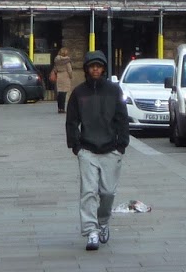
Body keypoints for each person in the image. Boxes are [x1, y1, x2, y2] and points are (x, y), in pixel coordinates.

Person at [65, 51, 128, 252]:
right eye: (92, 66)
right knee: (88, 191)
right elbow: (72, 121)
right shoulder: (78, 93)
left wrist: (121, 144)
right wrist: (75, 145)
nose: (95, 69)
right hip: (87, 149)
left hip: (111, 148)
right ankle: (91, 231)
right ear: (86, 69)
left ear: (104, 69)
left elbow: (122, 118)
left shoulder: (114, 91)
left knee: (108, 192)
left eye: (99, 66)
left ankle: (103, 222)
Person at [52, 45, 75, 114]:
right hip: (65, 76)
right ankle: (62, 108)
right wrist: (71, 76)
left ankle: (59, 108)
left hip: (59, 76)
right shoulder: (67, 61)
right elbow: (70, 70)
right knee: (64, 94)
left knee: (60, 93)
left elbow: (55, 69)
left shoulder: (57, 60)